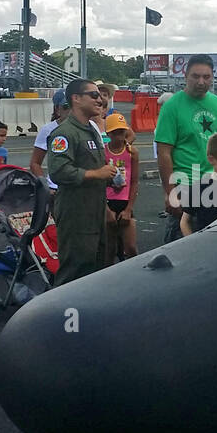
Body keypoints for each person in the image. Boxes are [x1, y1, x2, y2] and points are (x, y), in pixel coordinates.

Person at [155, 54, 217, 243]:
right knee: (179, 248)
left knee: (215, 246)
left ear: (213, 77)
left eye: (206, 77)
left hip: (216, 189)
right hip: (185, 188)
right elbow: (164, 153)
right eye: (195, 76)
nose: (201, 82)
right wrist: (170, 193)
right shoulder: (172, 106)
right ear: (185, 76)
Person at [48, 78, 116, 285]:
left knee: (96, 266)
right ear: (76, 99)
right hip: (76, 212)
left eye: (101, 96)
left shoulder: (91, 130)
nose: (100, 100)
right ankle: (63, 315)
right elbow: (59, 172)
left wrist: (110, 177)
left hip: (95, 209)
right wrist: (98, 174)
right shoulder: (64, 133)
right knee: (75, 269)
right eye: (94, 95)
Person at [103, 112, 138, 263]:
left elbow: (135, 181)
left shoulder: (132, 152)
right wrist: (106, 210)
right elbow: (99, 183)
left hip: (125, 203)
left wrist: (129, 209)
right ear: (108, 134)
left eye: (122, 132)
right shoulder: (103, 152)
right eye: (115, 133)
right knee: (109, 249)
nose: (119, 136)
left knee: (130, 248)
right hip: (108, 202)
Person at [31, 91, 69, 195]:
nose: (70, 111)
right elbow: (35, 163)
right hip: (56, 188)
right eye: (66, 107)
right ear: (57, 109)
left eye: (74, 106)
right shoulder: (48, 130)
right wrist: (45, 186)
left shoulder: (90, 126)